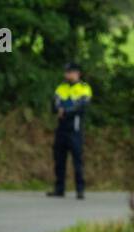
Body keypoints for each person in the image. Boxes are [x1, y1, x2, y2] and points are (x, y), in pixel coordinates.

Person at [48, 62, 92, 199]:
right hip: (61, 128)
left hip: (75, 128)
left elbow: (81, 106)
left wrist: (65, 111)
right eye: (66, 72)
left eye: (69, 72)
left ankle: (80, 189)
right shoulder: (61, 87)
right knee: (59, 159)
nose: (66, 75)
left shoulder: (84, 88)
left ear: (77, 73)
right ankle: (59, 188)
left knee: (77, 160)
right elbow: (54, 104)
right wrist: (58, 109)